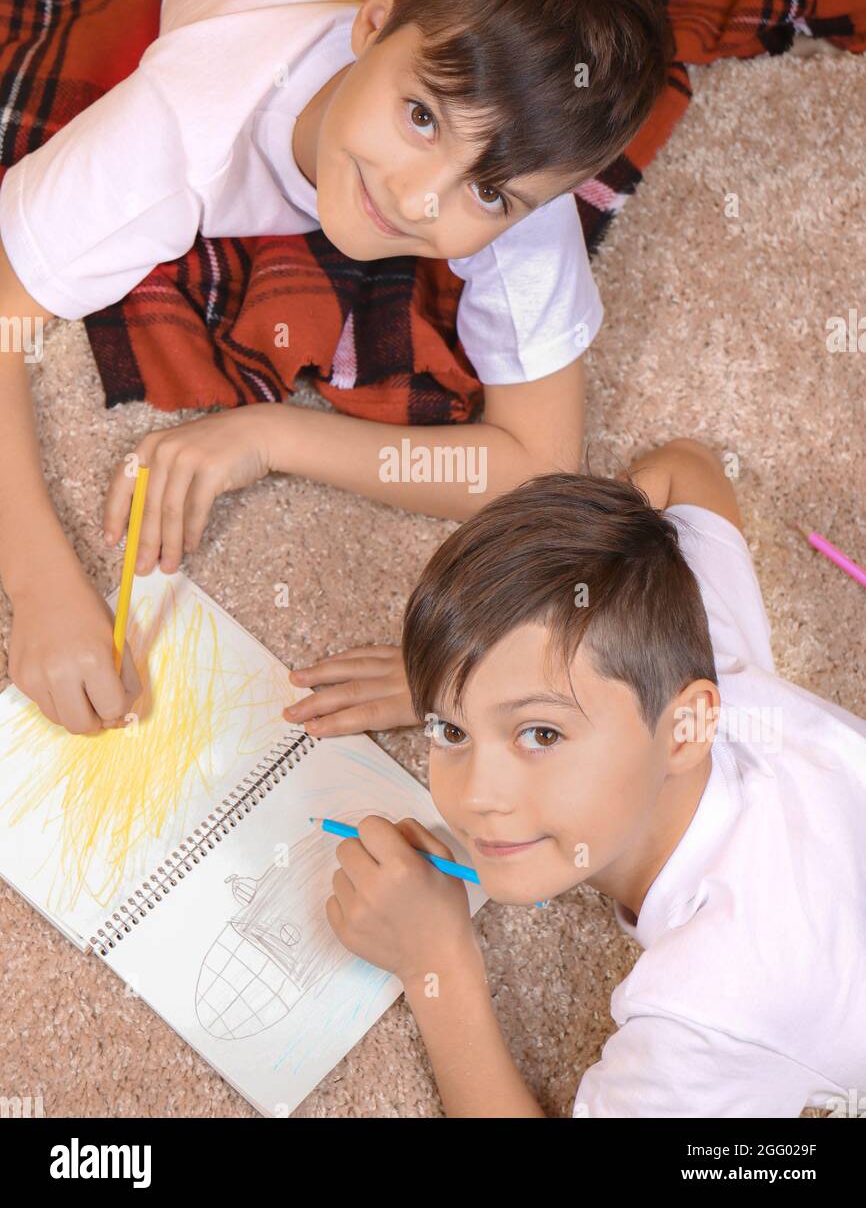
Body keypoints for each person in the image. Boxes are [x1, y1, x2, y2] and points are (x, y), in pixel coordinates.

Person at [0, 0, 671, 733]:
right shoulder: (185, 122)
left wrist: (269, 436)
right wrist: (37, 583)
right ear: (372, 21)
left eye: (485, 191)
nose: (417, 199)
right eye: (422, 116)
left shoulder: (523, 181)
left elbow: (536, 462)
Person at [282, 438, 866, 1117]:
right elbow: (689, 467)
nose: (476, 797)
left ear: (686, 728)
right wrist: (488, 669)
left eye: (540, 733)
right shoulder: (713, 662)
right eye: (451, 730)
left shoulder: (715, 1009)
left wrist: (435, 963)